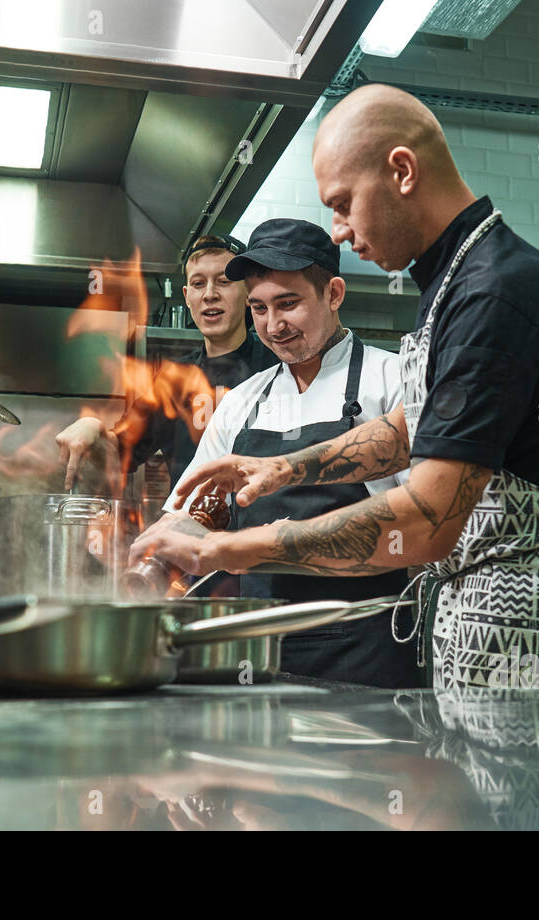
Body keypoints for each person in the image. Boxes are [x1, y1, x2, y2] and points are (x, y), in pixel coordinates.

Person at [130, 84, 539, 702]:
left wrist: (229, 550)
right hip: (482, 607)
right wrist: (285, 468)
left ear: (402, 171)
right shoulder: (455, 279)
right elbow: (418, 428)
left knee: (523, 795)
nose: (341, 229)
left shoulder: (494, 291)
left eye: (343, 203)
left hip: (538, 620)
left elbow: (429, 519)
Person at [140, 217, 423, 689]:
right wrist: (148, 559)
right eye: (258, 308)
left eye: (288, 304)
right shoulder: (242, 403)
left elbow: (421, 522)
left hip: (367, 645)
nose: (273, 326)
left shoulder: (393, 381)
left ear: (333, 294)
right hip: (260, 645)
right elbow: (191, 512)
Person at [55, 234, 276, 492]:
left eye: (224, 281)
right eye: (198, 283)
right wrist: (92, 428)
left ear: (249, 292)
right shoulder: (171, 382)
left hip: (268, 530)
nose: (209, 294)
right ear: (186, 296)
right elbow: (118, 456)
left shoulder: (281, 367)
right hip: (190, 528)